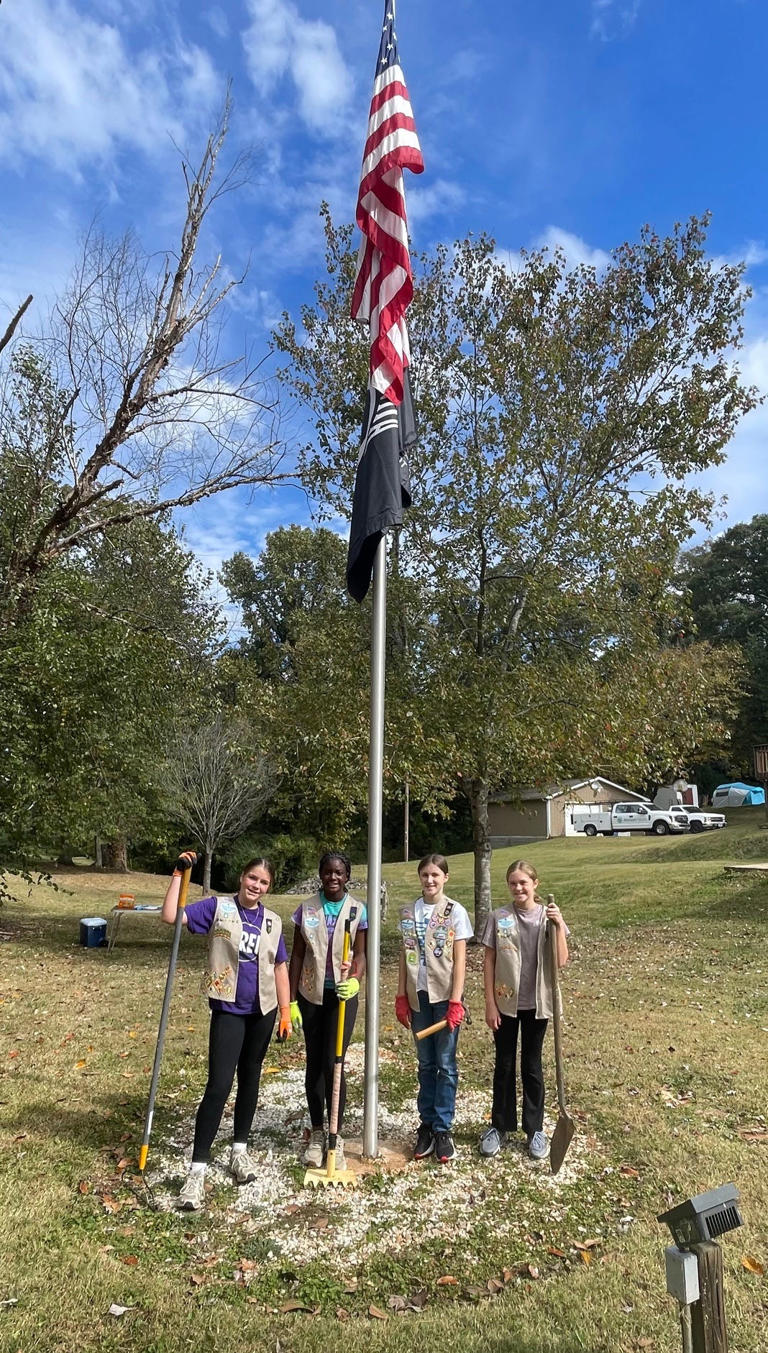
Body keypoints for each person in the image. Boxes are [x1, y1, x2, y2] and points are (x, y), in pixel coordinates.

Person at [161, 851, 291, 1210]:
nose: (257, 886)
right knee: (219, 1085)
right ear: (241, 877)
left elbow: (280, 966)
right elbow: (172, 916)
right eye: (253, 878)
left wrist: (285, 1011)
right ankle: (197, 1171)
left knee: (251, 1078)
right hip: (228, 1009)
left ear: (269, 887)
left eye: (264, 882)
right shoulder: (218, 908)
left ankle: (239, 1151)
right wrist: (178, 874)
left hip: (262, 1012)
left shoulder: (272, 922)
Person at [478, 859, 569, 1161]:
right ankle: (499, 1126)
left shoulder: (548, 916)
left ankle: (535, 1129)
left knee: (532, 1066)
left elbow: (561, 961)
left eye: (523, 883)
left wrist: (557, 926)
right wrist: (490, 1003)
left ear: (535, 884)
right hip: (506, 1003)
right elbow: (488, 961)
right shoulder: (499, 917)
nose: (518, 888)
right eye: (513, 883)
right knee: (504, 1064)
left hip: (537, 1003)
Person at [287, 851, 367, 1171]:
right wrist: (291, 1000)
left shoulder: (358, 911)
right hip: (311, 995)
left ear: (347, 876)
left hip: (343, 998)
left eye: (339, 872)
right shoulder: (306, 909)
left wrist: (356, 980)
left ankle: (336, 1135)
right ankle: (318, 1131)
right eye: (327, 872)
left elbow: (361, 954)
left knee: (334, 1064)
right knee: (314, 1061)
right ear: (320, 874)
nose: (333, 877)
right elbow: (296, 956)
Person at [395, 853, 473, 1164]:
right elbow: (404, 957)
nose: (430, 880)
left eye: (435, 875)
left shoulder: (455, 912)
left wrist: (456, 1000)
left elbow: (461, 960)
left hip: (445, 999)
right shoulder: (407, 913)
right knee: (425, 1064)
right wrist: (401, 995)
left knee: (445, 1063)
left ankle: (443, 1129)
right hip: (419, 998)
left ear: (445, 878)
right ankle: (426, 1126)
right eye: (425, 874)